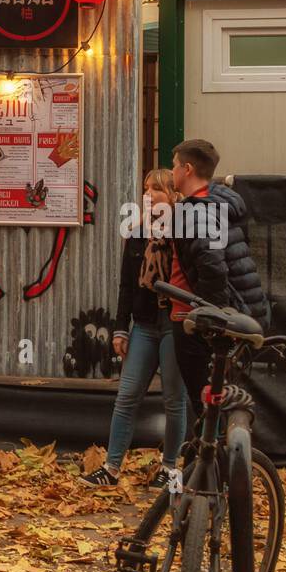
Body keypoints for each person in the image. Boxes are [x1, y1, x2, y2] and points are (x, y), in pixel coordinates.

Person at [80, 169, 188, 488]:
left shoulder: (185, 231)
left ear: (171, 194)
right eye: (145, 189)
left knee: (174, 399)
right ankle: (111, 468)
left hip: (173, 322)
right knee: (126, 396)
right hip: (143, 324)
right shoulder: (137, 233)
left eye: (156, 189)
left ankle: (169, 468)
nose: (149, 194)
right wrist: (119, 328)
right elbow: (127, 286)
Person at [167, 139, 270, 420]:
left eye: (174, 166)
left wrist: (210, 324)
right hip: (224, 313)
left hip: (198, 318)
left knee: (205, 404)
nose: (171, 172)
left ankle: (212, 461)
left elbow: (213, 268)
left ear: (187, 169)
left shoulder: (197, 212)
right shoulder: (218, 204)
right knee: (215, 400)